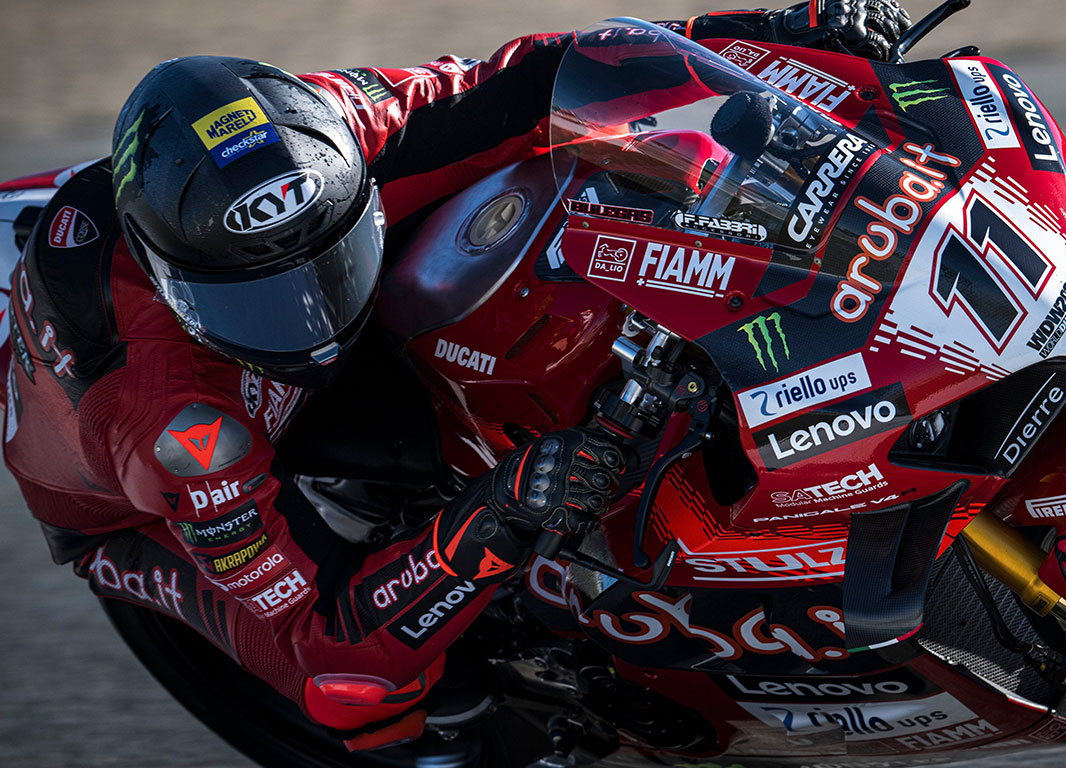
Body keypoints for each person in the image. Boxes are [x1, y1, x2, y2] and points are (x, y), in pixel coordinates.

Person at [3, 0, 911, 752]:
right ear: (172, 280)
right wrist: (499, 514)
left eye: (324, 264)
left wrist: (783, 32)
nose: (309, 321)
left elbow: (564, 72)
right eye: (264, 298)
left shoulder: (338, 129)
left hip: (317, 321)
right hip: (129, 504)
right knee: (361, 697)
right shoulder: (173, 425)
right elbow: (324, 632)